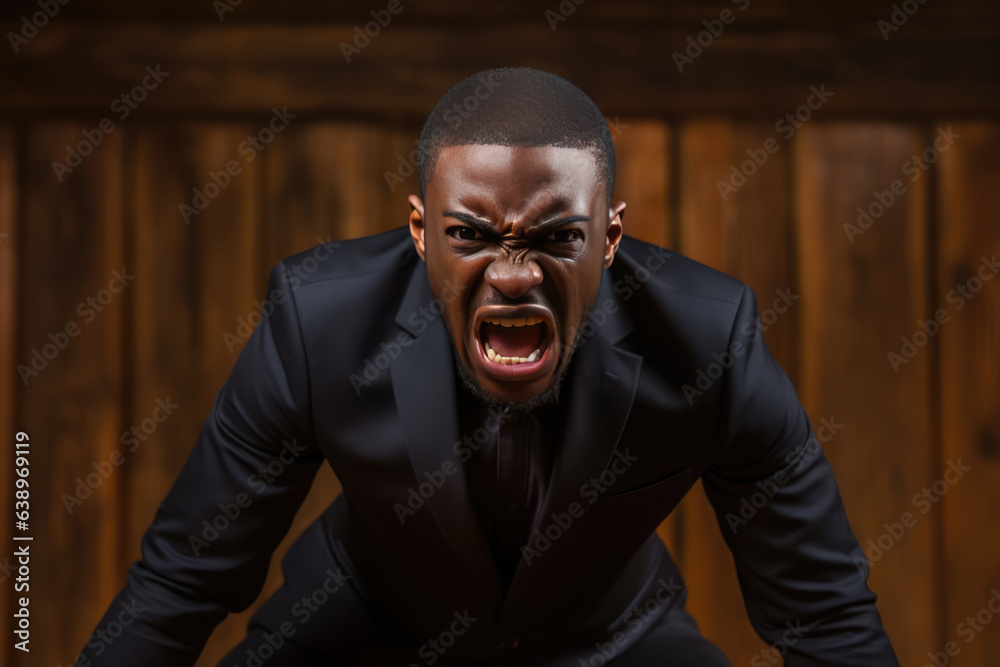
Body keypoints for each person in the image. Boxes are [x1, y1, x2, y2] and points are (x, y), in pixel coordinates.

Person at [80, 67, 899, 666]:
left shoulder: (708, 338)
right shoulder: (317, 320)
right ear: (421, 231)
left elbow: (822, 613)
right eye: (472, 233)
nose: (512, 275)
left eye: (554, 237)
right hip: (358, 630)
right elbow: (182, 582)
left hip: (612, 641)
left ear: (608, 240)